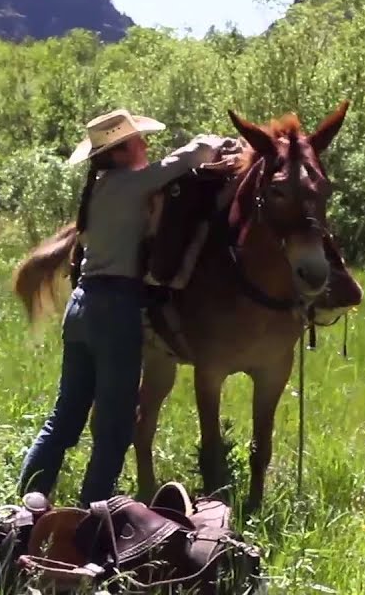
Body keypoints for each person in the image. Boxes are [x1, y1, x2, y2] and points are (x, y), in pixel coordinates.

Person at [17, 108, 239, 506]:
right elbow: (184, 159)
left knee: (64, 419)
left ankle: (26, 503)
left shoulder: (100, 187)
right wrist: (219, 142)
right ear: (120, 151)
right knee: (115, 429)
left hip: (82, 305)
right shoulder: (130, 184)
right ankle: (90, 517)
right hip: (115, 309)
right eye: (138, 140)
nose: (145, 145)